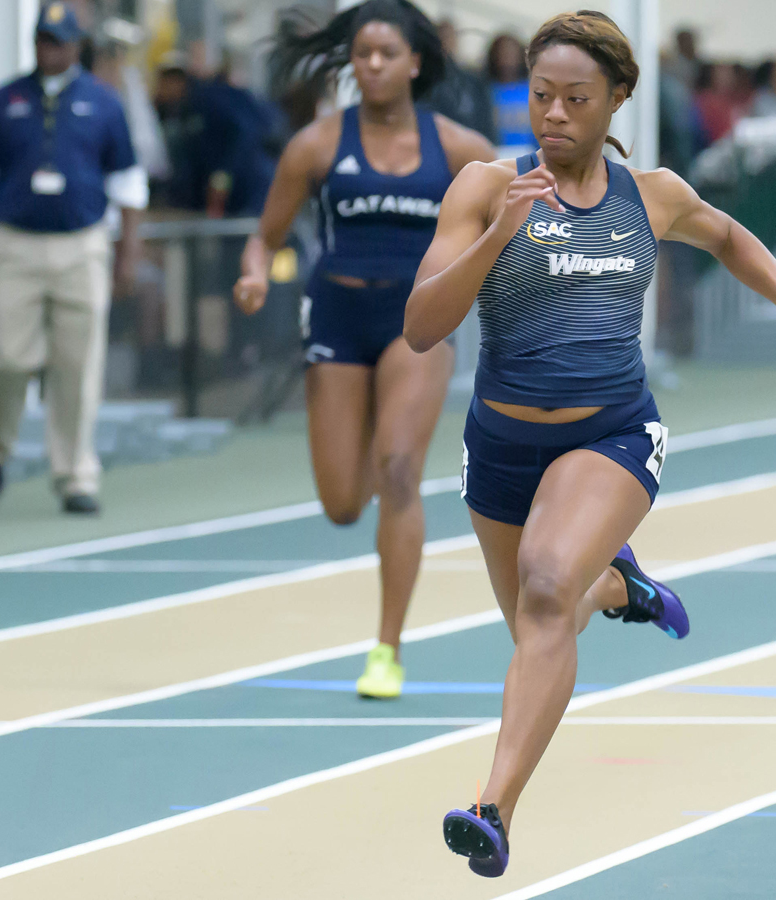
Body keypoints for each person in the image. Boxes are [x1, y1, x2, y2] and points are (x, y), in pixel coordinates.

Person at [403, 10, 776, 877]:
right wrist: (496, 237)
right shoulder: (486, 187)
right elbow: (421, 327)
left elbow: (726, 234)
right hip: (500, 445)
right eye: (541, 96)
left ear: (617, 99)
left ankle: (492, 810)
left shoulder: (651, 195)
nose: (554, 113)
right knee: (542, 621)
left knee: (544, 594)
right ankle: (618, 584)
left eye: (576, 98)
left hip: (610, 435)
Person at [233, 0, 494, 700]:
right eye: (362, 54)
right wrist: (255, 273)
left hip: (416, 323)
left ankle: (387, 650)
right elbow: (265, 235)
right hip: (338, 319)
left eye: (387, 53)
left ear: (415, 62)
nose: (372, 65)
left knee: (400, 471)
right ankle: (379, 435)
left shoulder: (461, 148)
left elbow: (510, 224)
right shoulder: (317, 145)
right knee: (344, 502)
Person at [0, 1, 147, 514]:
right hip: (15, 243)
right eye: (42, 41)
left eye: (57, 42)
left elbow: (127, 182)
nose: (48, 51)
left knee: (77, 365)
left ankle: (75, 476)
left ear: (75, 46)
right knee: (7, 358)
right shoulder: (3, 101)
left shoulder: (103, 102)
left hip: (82, 243)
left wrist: (128, 253)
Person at [485, 34, 536, 153]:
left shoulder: (533, 90)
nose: (507, 59)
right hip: (494, 154)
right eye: (502, 53)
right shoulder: (485, 91)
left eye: (512, 53)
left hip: (529, 154)